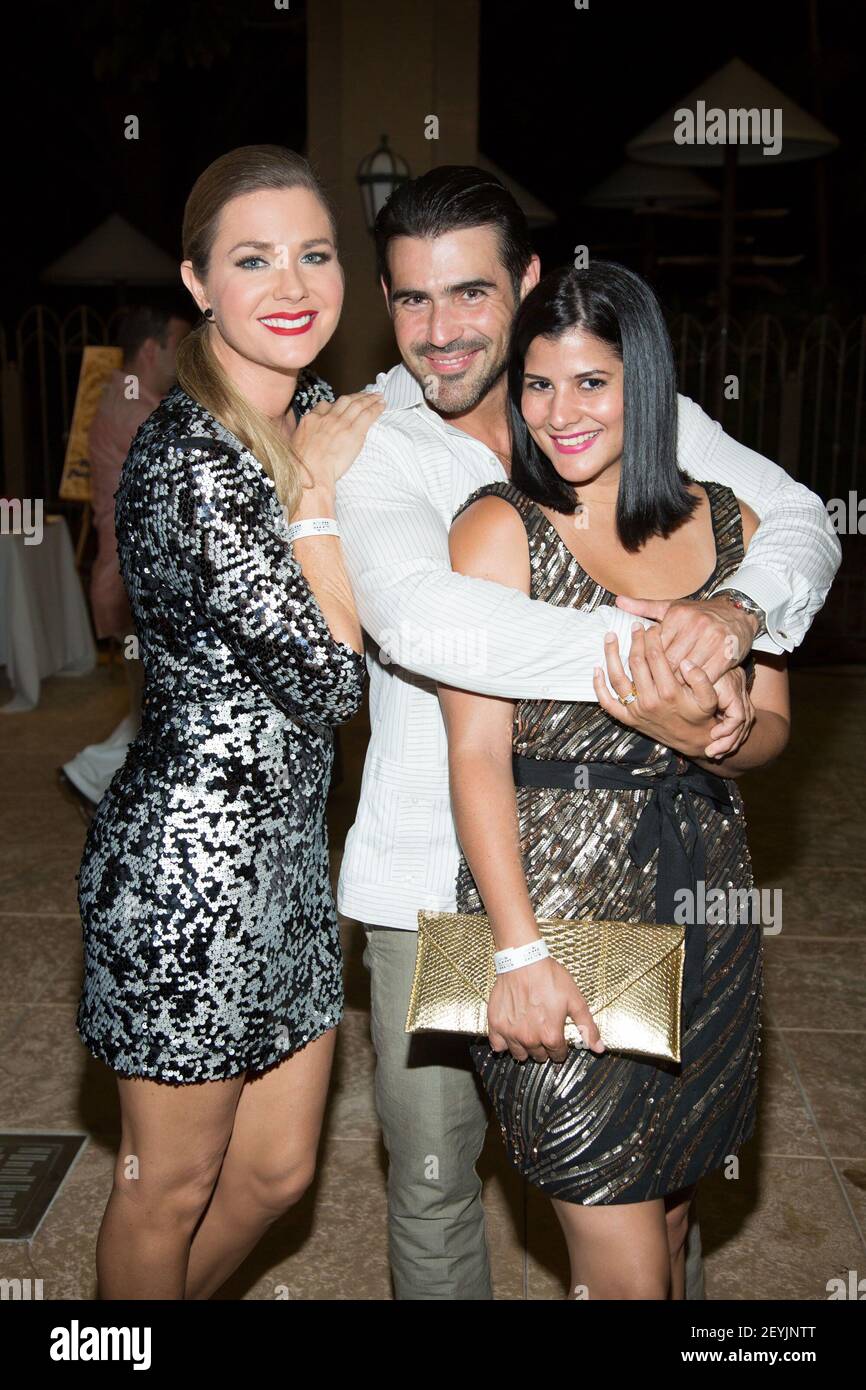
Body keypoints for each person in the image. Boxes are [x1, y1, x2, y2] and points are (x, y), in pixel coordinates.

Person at [333, 166, 840, 1300]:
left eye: (469, 292)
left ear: (525, 282)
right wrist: (670, 659)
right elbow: (424, 624)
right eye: (411, 298)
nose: (440, 328)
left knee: (660, 1191)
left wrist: (734, 619)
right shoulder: (371, 440)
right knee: (439, 1181)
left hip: (667, 881)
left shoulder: (646, 412)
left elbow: (800, 524)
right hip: (438, 877)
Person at [439, 260, 790, 1299]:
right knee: (622, 1258)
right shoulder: (494, 530)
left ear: (647, 383)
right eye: (538, 385)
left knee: (671, 1215)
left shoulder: (737, 529)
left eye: (591, 382)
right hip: (553, 919)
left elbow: (772, 729)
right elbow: (474, 753)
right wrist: (516, 954)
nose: (560, 414)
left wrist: (712, 734)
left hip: (702, 903)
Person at [76, 145, 382, 1300]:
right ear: (198, 283)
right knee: (168, 1185)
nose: (292, 284)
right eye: (253, 260)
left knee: (274, 1171)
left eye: (314, 253)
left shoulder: (304, 412)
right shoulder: (193, 461)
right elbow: (330, 682)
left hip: (288, 860)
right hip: (189, 875)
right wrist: (313, 496)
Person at [59, 303, 191, 821]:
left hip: (128, 583)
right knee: (154, 709)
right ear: (152, 349)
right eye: (178, 345)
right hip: (133, 586)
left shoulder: (132, 401)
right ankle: (92, 777)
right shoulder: (136, 410)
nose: (184, 356)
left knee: (151, 705)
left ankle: (93, 775)